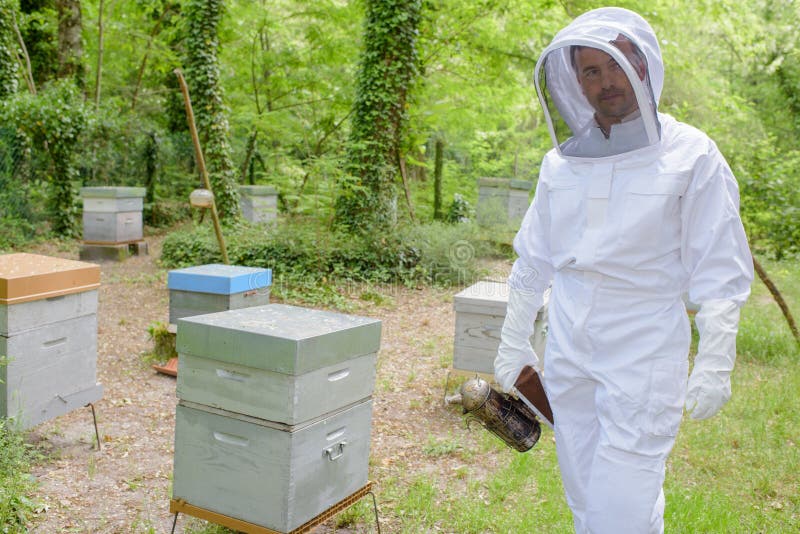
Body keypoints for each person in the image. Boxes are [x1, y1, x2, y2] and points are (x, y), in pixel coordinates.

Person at [493, 7, 753, 534]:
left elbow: (719, 268)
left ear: (642, 67)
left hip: (643, 349)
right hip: (568, 346)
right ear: (575, 83)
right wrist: (512, 340)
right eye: (590, 71)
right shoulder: (560, 162)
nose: (606, 82)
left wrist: (716, 360)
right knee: (585, 498)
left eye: (615, 65)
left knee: (621, 512)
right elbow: (534, 258)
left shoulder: (692, 155)